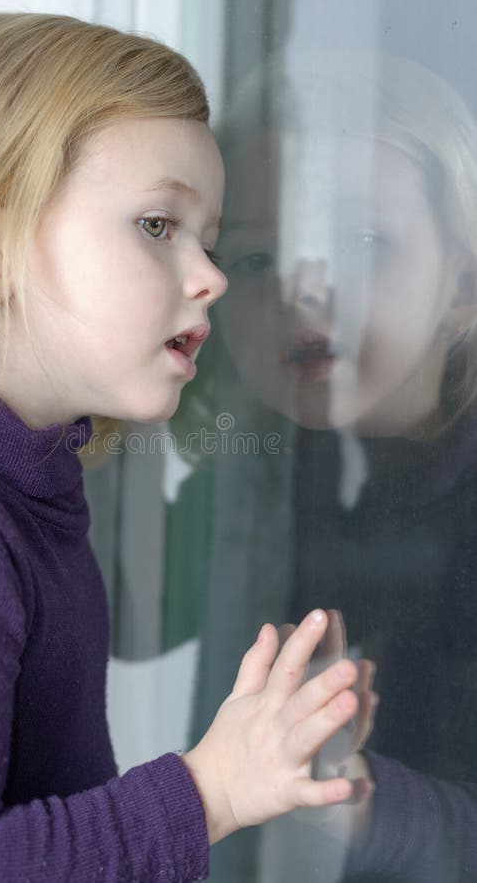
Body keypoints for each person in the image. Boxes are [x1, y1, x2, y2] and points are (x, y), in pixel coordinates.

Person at [0, 13, 366, 882]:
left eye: (207, 237)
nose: (210, 274)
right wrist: (213, 790)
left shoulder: (29, 492)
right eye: (156, 226)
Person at [169, 49, 477, 881]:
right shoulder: (292, 463)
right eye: (258, 260)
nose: (303, 292)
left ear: (464, 276)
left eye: (365, 240)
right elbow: (140, 610)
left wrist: (351, 790)